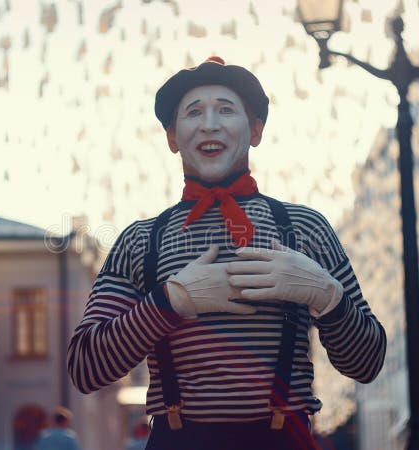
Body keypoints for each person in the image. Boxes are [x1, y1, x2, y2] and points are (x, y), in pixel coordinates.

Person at [67, 56, 387, 450]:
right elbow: (85, 367)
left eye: (225, 109)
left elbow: (367, 362)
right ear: (172, 137)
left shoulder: (306, 228)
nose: (210, 124)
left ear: (255, 130)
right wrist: (170, 301)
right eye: (194, 112)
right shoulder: (140, 241)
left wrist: (326, 294)